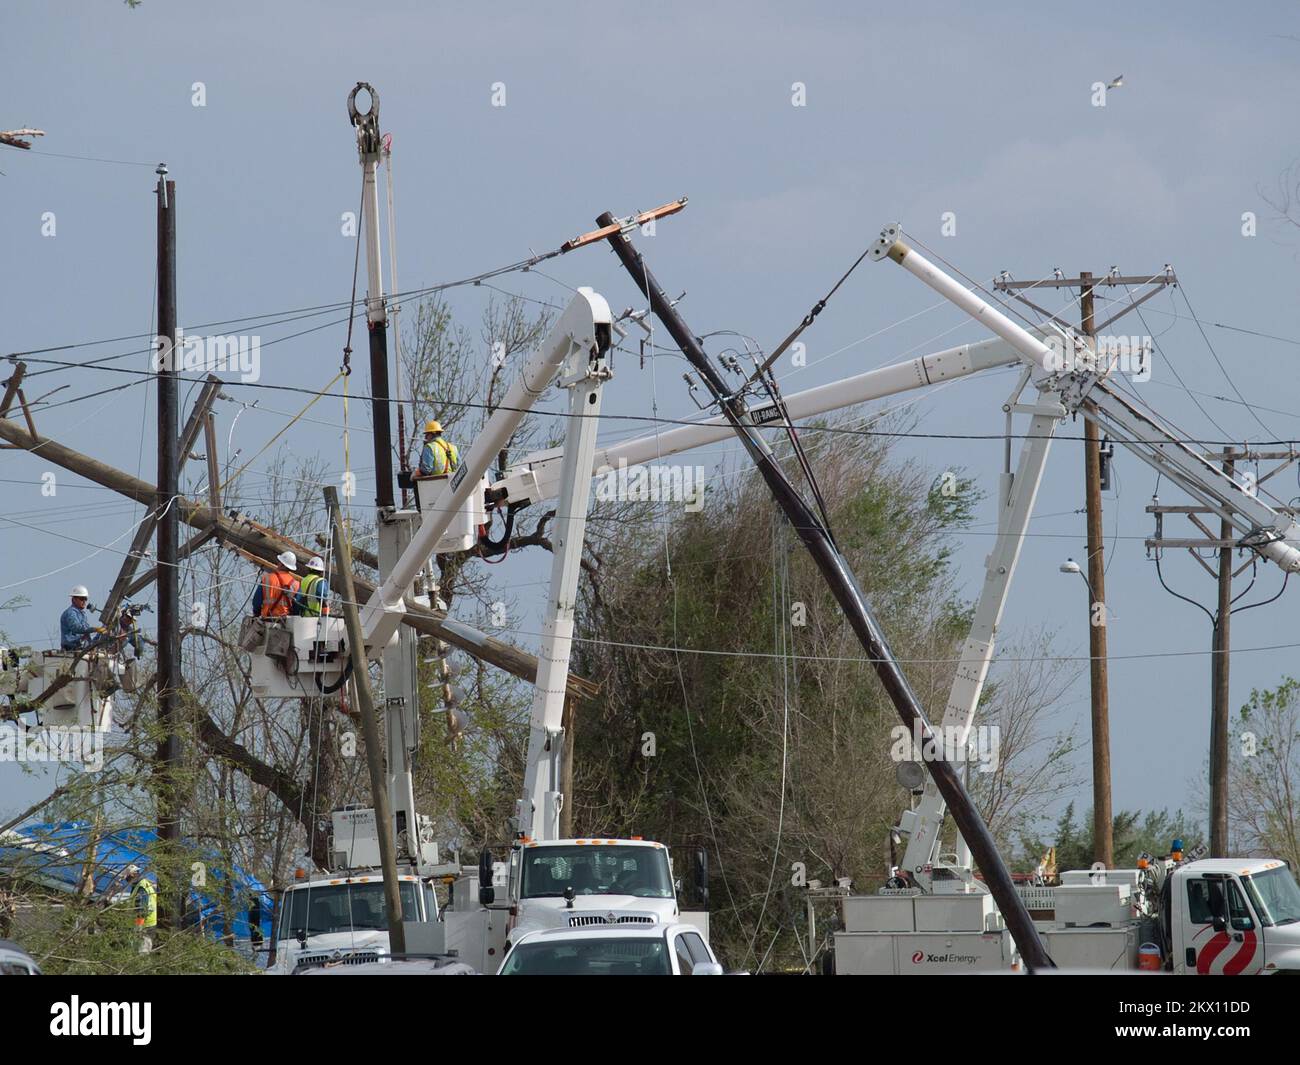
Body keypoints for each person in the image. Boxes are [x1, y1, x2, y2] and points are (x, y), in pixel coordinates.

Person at [251, 551, 300, 618]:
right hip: (286, 623)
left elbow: (256, 601)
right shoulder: (296, 584)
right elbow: (297, 607)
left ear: (282, 564)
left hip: (266, 620)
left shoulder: (267, 579)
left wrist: (256, 613)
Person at [59, 585, 107, 651]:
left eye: (85, 599)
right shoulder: (70, 613)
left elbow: (86, 633)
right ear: (73, 599)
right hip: (71, 649)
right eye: (81, 599)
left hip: (82, 648)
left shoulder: (82, 614)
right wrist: (95, 629)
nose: (84, 601)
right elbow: (77, 628)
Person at [124, 864, 157, 953]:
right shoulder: (142, 883)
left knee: (142, 951)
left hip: (145, 925)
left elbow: (142, 909)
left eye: (127, 877)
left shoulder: (141, 888)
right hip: (148, 923)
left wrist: (139, 926)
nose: (126, 880)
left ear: (132, 875)